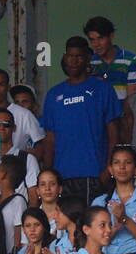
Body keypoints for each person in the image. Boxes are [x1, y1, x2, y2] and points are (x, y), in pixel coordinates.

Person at [38, 37, 121, 204]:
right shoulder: (54, 94)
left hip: (94, 174)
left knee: (93, 226)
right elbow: (50, 138)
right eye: (70, 56)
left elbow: (114, 133)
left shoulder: (102, 88)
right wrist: (48, 172)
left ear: (88, 57)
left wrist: (109, 169)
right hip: (62, 176)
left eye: (79, 56)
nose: (74, 61)